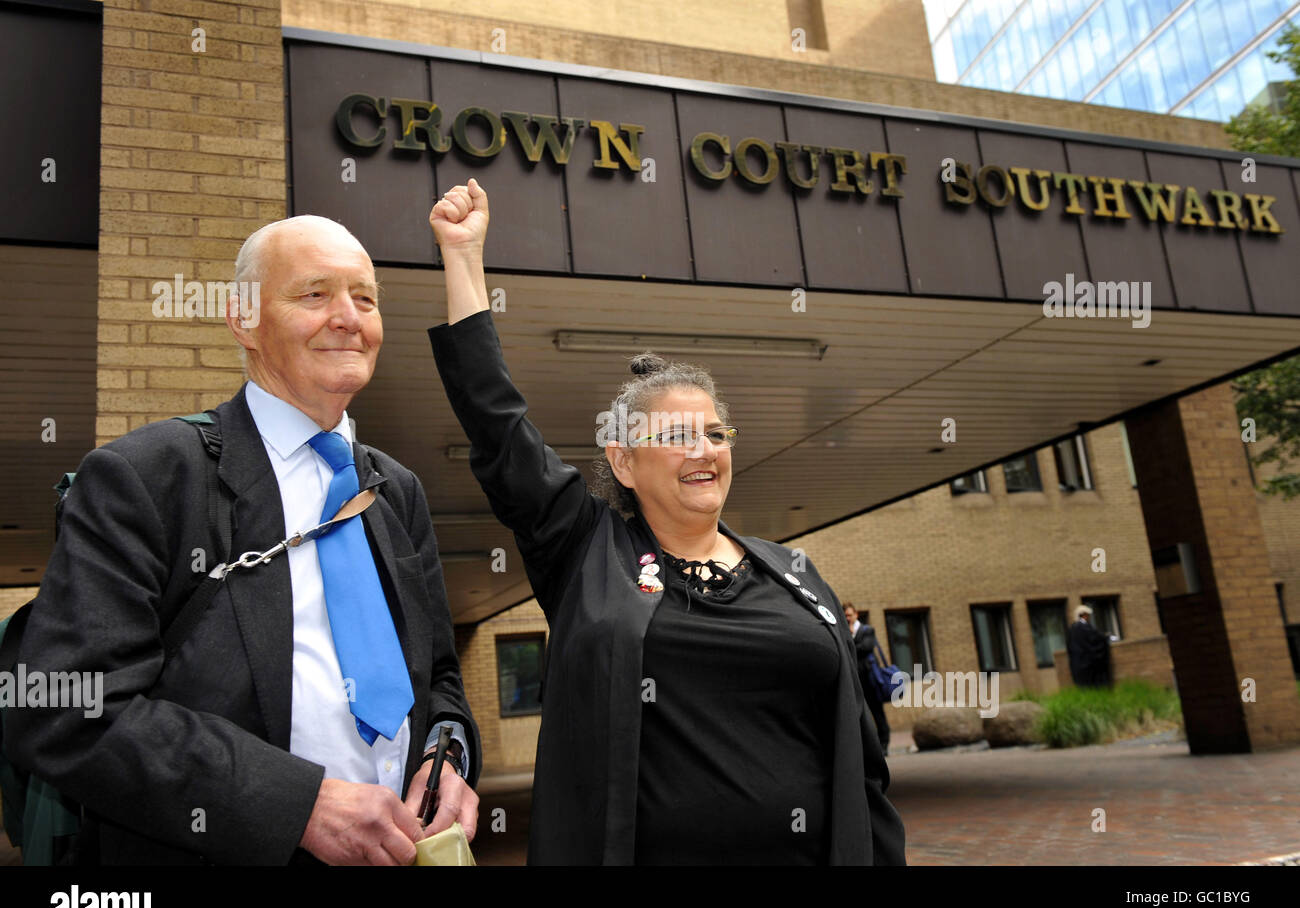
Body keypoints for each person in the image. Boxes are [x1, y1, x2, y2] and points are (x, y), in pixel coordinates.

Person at [427, 179, 905, 865]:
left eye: (714, 433)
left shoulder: (793, 573)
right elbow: (496, 422)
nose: (703, 450)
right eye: (678, 435)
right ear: (623, 462)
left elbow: (864, 770)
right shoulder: (588, 553)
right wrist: (464, 257)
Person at [5, 215, 480, 865]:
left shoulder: (397, 490)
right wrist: (295, 804)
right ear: (243, 318)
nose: (348, 317)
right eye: (314, 294)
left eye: (365, 298)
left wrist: (446, 753)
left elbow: (440, 675)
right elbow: (67, 709)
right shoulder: (145, 476)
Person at [844, 603, 891, 753]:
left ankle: (884, 743)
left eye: (850, 615)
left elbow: (866, 647)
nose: (848, 618)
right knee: (862, 714)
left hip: (870, 679)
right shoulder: (844, 632)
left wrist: (850, 642)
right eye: (845, 616)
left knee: (877, 712)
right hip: (856, 680)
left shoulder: (867, 630)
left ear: (856, 614)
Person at [1066, 604, 1113, 688]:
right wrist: (1106, 637)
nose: (1089, 617)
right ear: (1084, 615)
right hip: (1087, 662)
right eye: (1088, 615)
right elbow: (1094, 638)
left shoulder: (1073, 628)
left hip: (1077, 662)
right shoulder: (1084, 627)